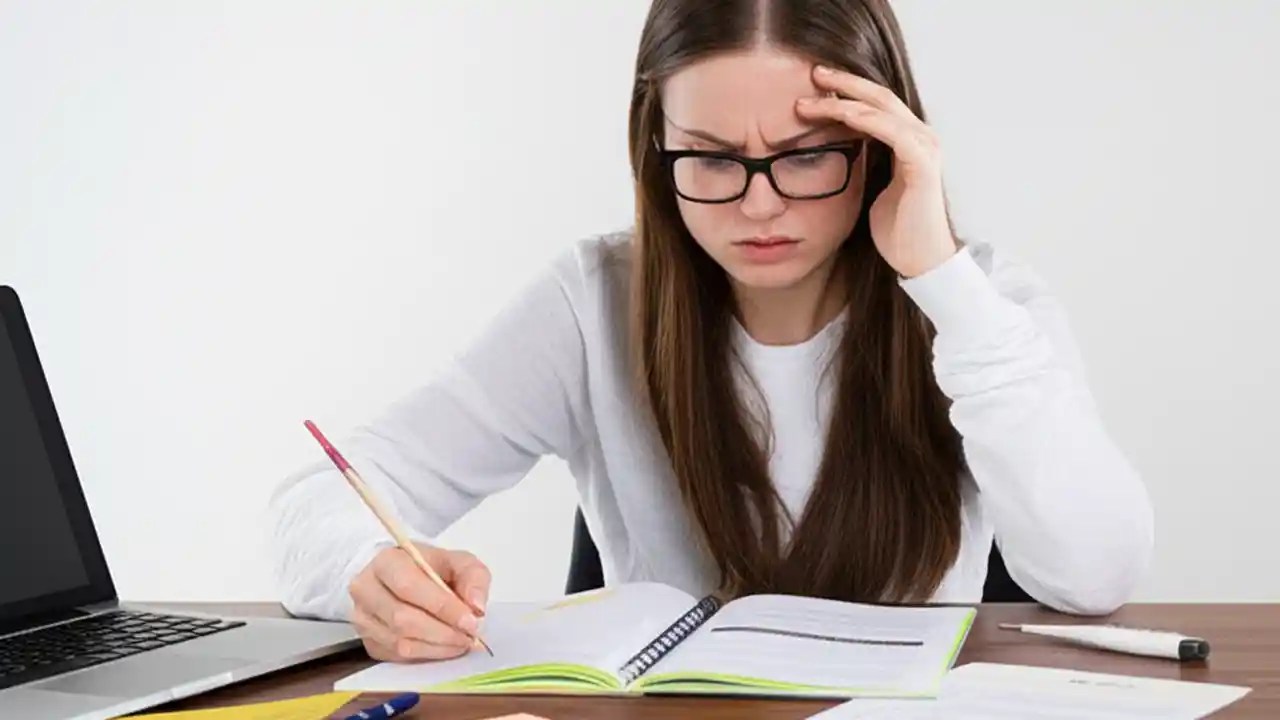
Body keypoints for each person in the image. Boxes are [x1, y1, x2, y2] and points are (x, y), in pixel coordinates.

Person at [268, 0, 1154, 663]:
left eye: (807, 154)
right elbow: (320, 498)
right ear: (658, 147)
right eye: (712, 159)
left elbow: (1097, 573)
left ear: (881, 142)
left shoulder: (980, 301)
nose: (759, 204)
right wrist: (368, 569)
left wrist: (940, 280)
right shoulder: (595, 301)